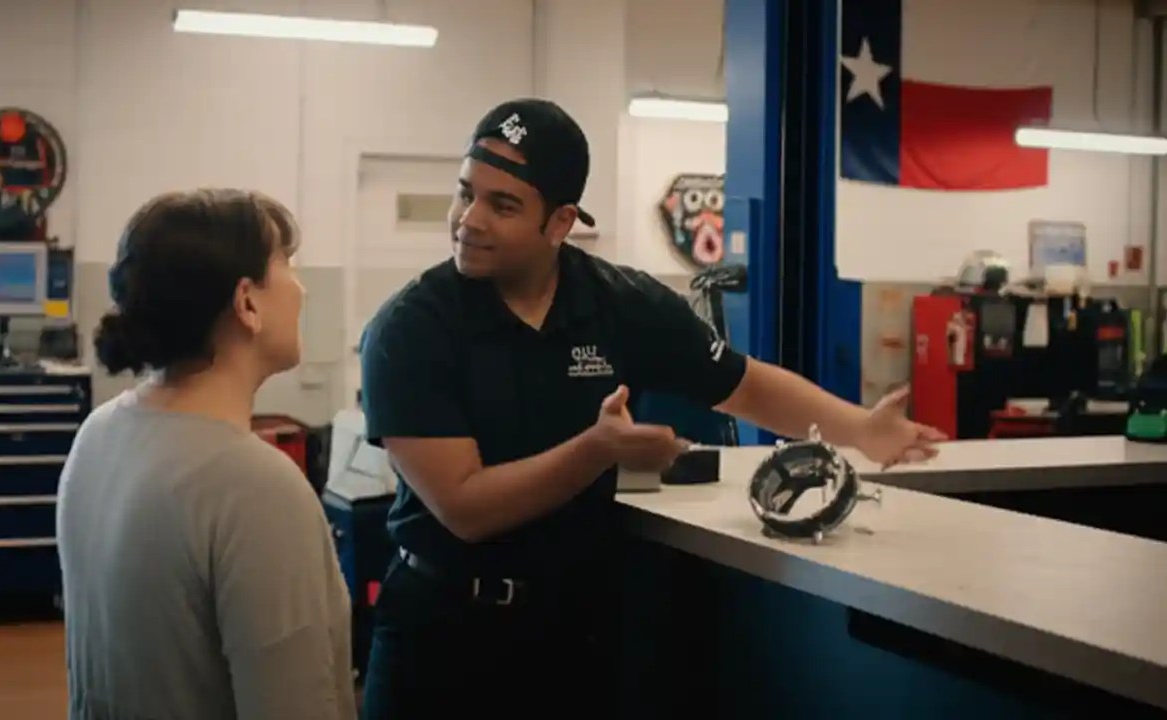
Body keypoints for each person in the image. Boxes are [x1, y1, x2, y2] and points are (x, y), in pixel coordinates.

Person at [357, 99, 946, 719]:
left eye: (502, 205)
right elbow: (466, 506)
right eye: (465, 193)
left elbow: (743, 384)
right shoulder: (411, 329)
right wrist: (599, 449)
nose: (468, 220)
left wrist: (861, 430)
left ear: (559, 223)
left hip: (575, 640)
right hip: (444, 642)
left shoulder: (619, 304)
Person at [57, 189, 356, 720]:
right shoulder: (255, 486)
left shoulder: (99, 435)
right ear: (247, 303)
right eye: (286, 263)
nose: (302, 286)